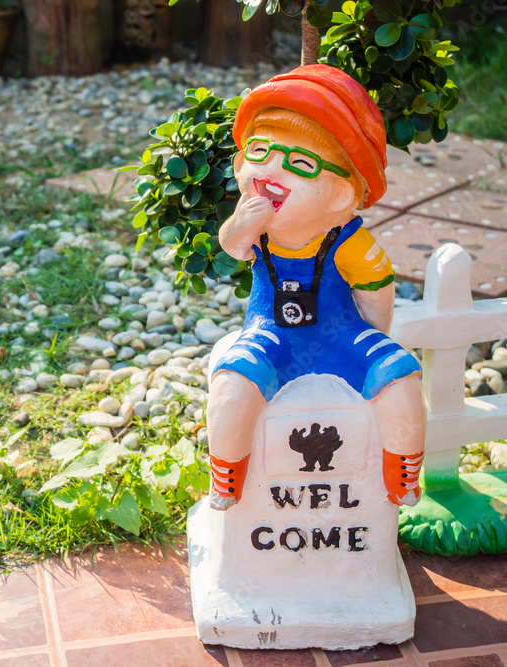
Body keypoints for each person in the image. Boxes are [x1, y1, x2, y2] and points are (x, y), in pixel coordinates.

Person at [207, 64, 426, 511]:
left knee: (401, 380)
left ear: (344, 195)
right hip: (271, 333)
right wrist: (240, 226)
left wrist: (374, 338)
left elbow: (376, 291)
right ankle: (226, 477)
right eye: (260, 151)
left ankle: (402, 475)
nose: (271, 171)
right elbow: (232, 246)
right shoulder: (258, 225)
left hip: (341, 336)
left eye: (301, 164)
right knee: (232, 385)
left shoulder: (346, 239)